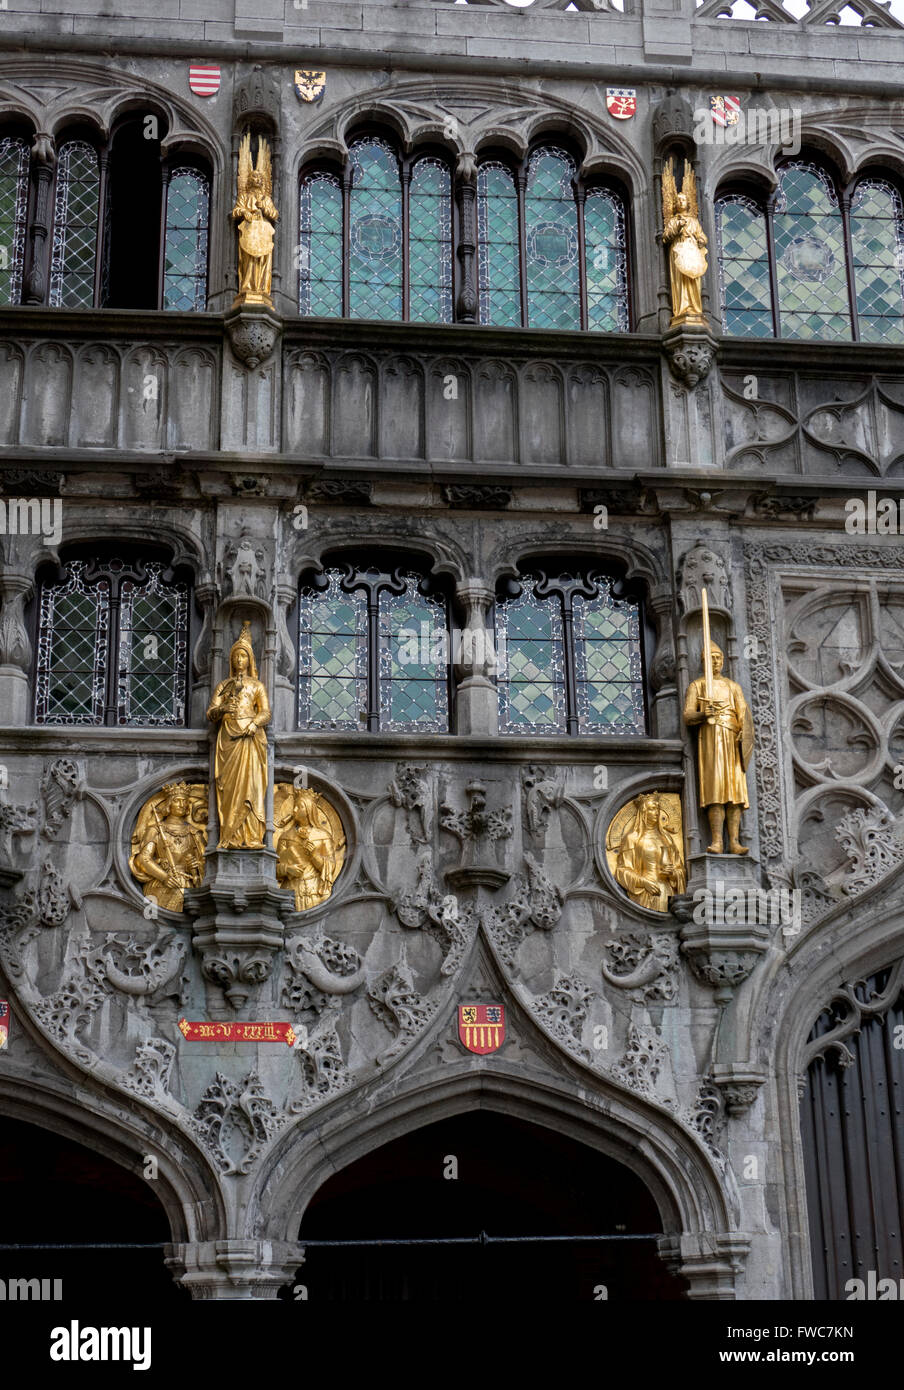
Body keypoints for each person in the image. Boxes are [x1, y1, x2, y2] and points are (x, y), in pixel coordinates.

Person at [683, 641, 753, 855]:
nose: (715, 662)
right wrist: (704, 714)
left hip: (731, 739)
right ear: (703, 661)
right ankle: (716, 841)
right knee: (715, 790)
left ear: (723, 660)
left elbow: (744, 714)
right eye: (711, 658)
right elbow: (688, 715)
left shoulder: (733, 687)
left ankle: (734, 841)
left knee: (734, 792)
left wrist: (744, 732)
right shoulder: (698, 685)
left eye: (718, 658)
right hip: (711, 740)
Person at [207, 623, 270, 849]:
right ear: (231, 660)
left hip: (250, 739)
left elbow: (266, 712)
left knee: (251, 786)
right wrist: (223, 709)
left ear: (250, 659)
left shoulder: (257, 685)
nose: (239, 660)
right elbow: (210, 713)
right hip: (228, 741)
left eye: (244, 656)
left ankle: (252, 837)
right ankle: (230, 836)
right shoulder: (223, 686)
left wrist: (254, 724)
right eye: (236, 656)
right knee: (229, 790)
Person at [130, 782, 206, 910]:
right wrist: (164, 877)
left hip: (188, 883)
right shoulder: (156, 830)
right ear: (169, 804)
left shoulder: (194, 833)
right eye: (177, 800)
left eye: (184, 801)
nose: (181, 805)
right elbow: (143, 859)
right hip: (162, 884)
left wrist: (195, 866)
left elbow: (207, 861)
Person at [612, 792, 686, 912]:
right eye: (652, 809)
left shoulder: (667, 838)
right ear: (643, 812)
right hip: (645, 892)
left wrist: (673, 874)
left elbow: (680, 869)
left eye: (658, 808)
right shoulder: (633, 838)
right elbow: (622, 871)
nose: (656, 812)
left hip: (667, 892)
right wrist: (643, 882)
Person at [276, 787, 343, 911]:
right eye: (294, 806)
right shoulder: (286, 836)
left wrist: (314, 854)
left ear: (308, 810)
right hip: (290, 892)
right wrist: (287, 869)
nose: (295, 810)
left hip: (315, 892)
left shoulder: (323, 836)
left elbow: (330, 867)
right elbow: (274, 868)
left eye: (299, 806)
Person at [662, 190, 708, 325]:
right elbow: (666, 237)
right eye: (678, 200)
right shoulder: (673, 220)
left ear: (688, 203)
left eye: (683, 200)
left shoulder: (694, 221)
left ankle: (695, 308)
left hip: (692, 252)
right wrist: (677, 227)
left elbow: (702, 235)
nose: (680, 202)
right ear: (675, 204)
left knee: (694, 281)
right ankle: (682, 309)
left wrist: (701, 240)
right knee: (680, 282)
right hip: (678, 250)